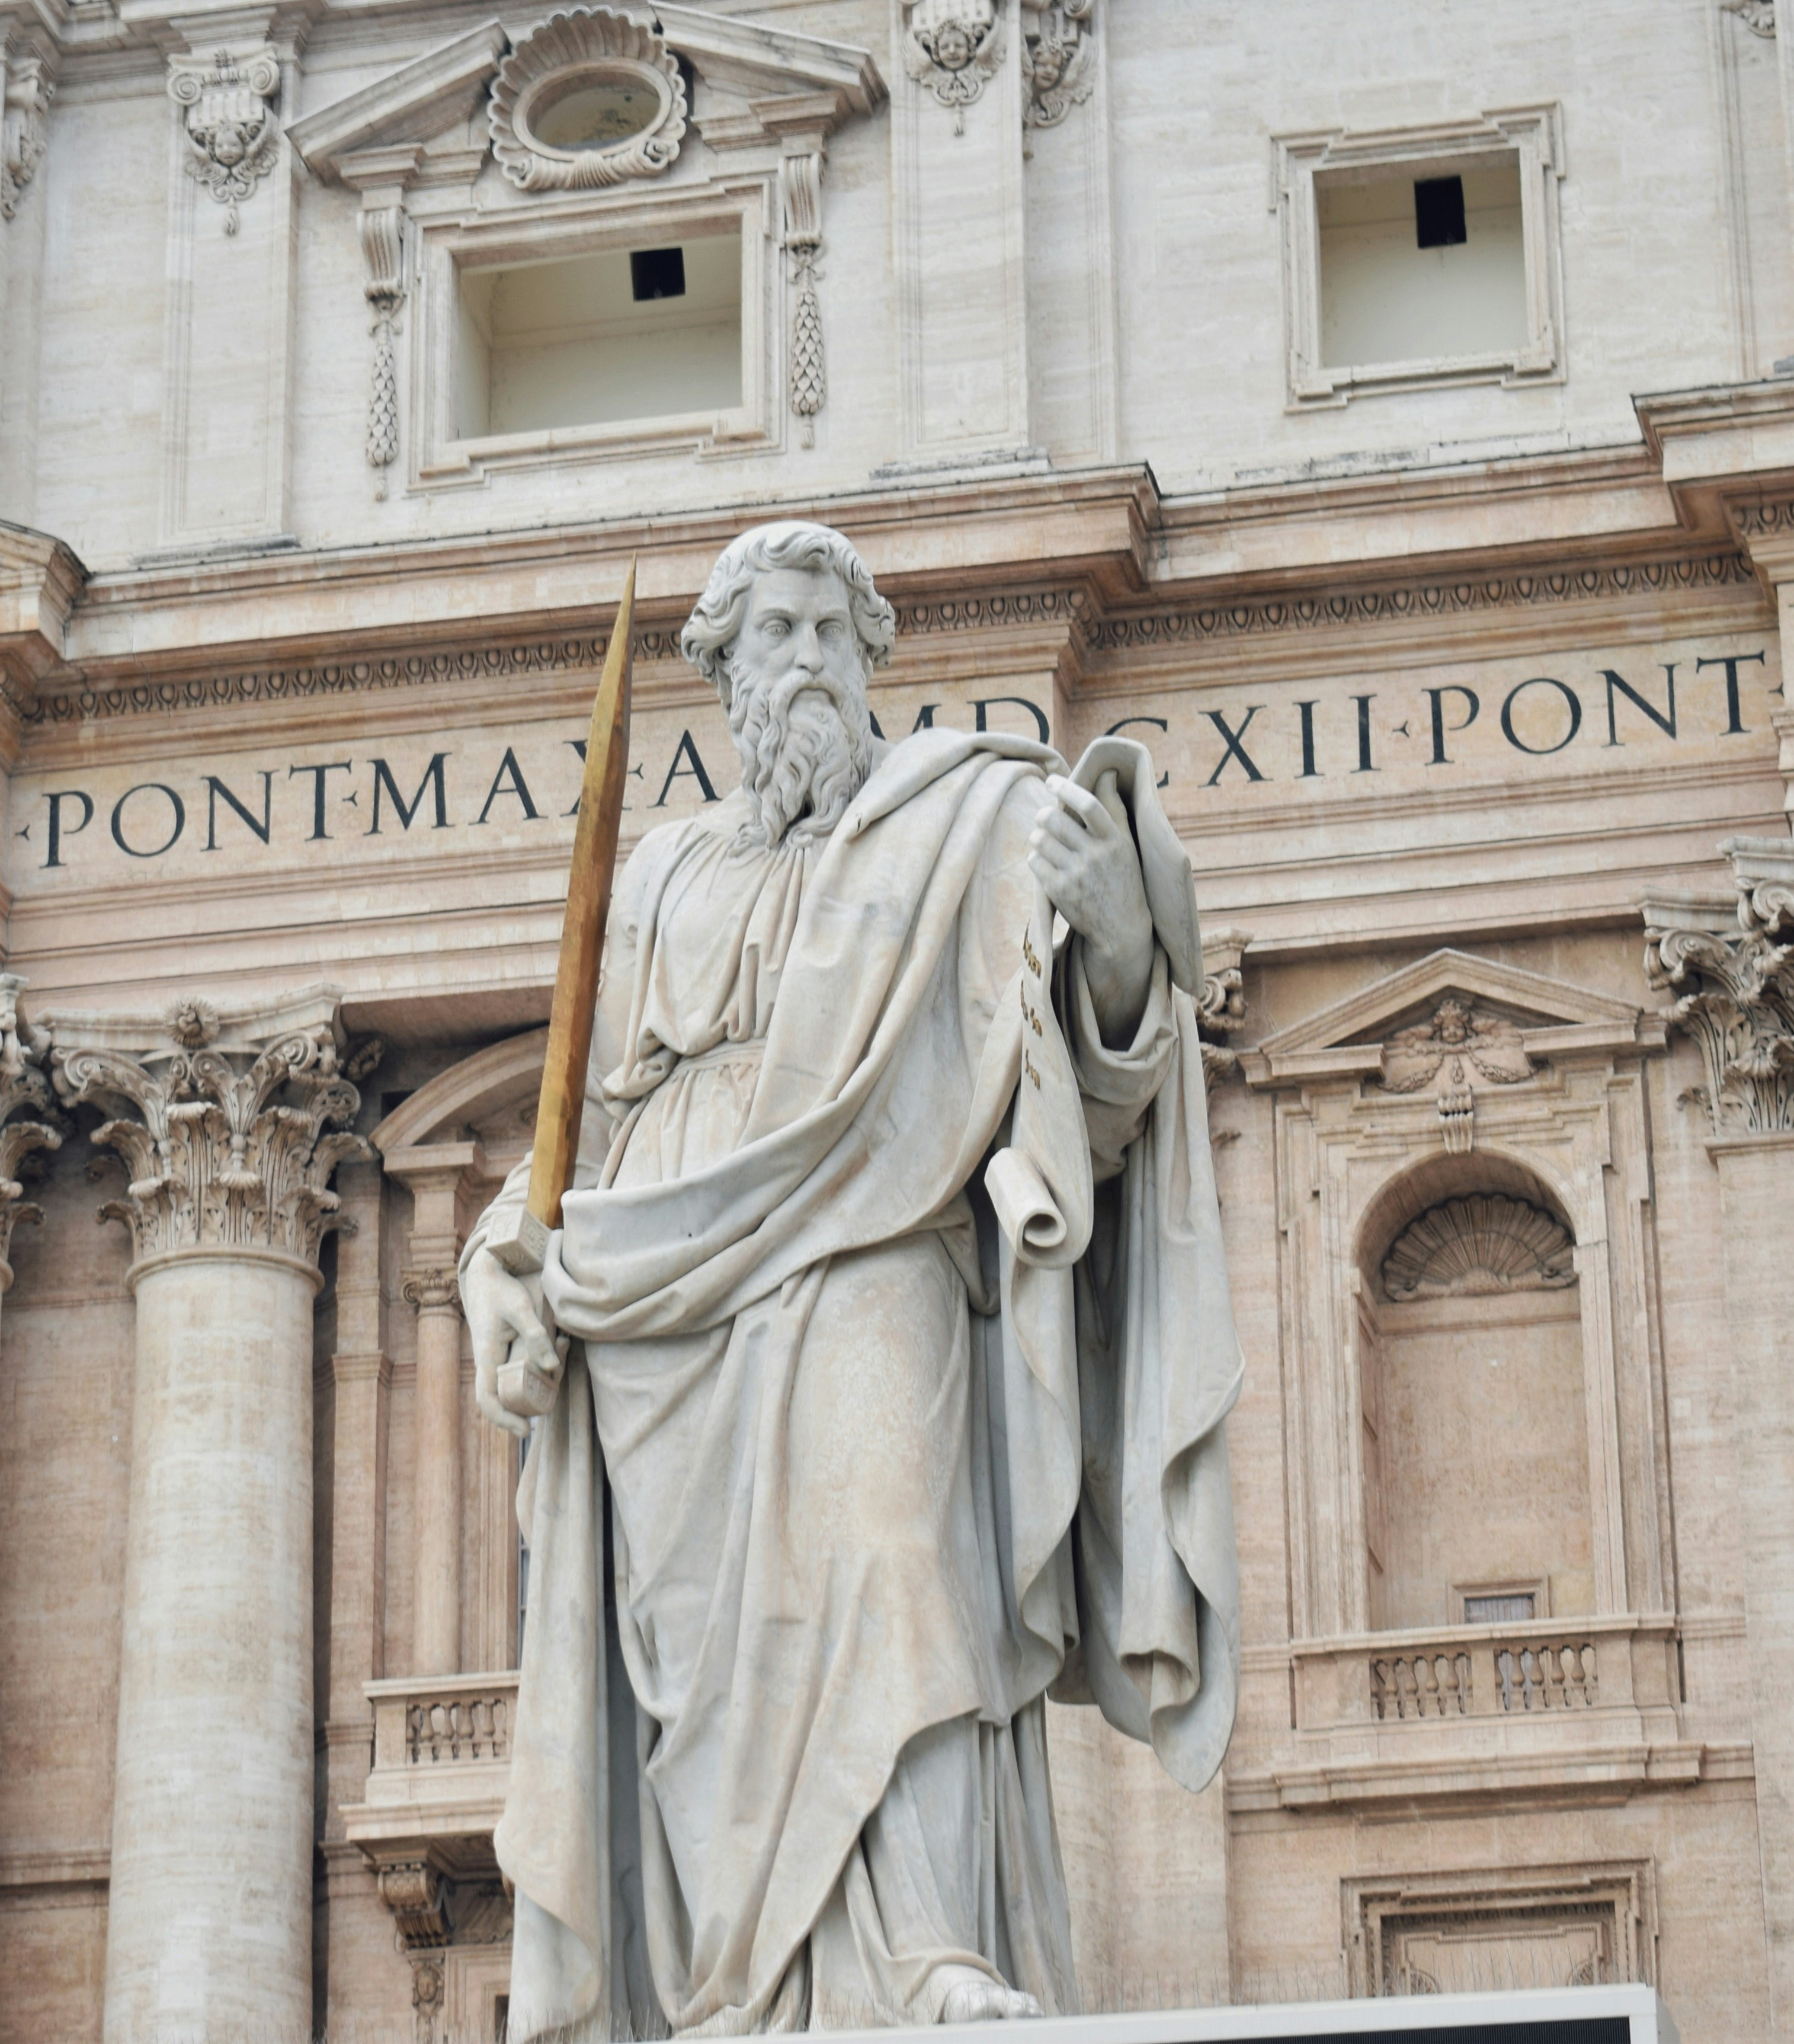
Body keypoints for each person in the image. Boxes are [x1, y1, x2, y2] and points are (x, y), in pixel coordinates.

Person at [460, 520, 1244, 2037]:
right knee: (712, 1676)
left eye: (833, 629)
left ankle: (925, 1952)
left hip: (880, 1247)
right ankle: (734, 1990)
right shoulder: (664, 870)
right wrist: (508, 1251)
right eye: (775, 634)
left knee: (899, 1559)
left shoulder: (971, 820)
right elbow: (592, 1124)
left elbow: (1079, 1098)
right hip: (667, 1315)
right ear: (721, 671)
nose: (808, 659)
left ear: (875, 653)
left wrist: (1131, 954)